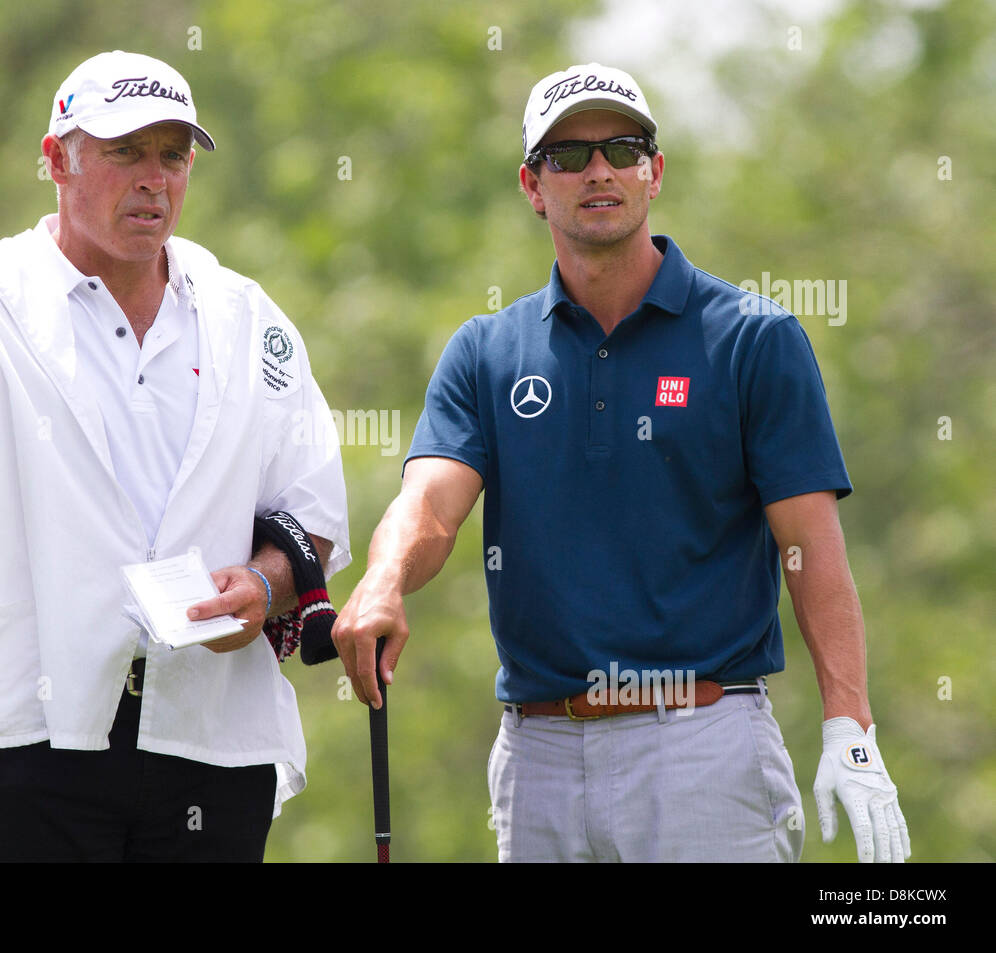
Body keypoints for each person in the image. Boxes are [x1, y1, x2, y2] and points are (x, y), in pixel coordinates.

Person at [331, 63, 908, 863]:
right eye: (568, 157)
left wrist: (848, 721)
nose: (597, 169)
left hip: (702, 745)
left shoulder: (752, 339)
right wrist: (384, 577)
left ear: (654, 172)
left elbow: (811, 544)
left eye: (622, 148)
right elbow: (430, 503)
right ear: (533, 186)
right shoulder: (488, 352)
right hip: (539, 754)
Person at [0, 50, 349, 862]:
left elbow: (314, 509)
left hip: (212, 741)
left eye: (173, 153)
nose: (155, 177)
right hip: (34, 738)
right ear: (56, 161)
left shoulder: (246, 316)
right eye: (125, 152)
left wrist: (264, 584)